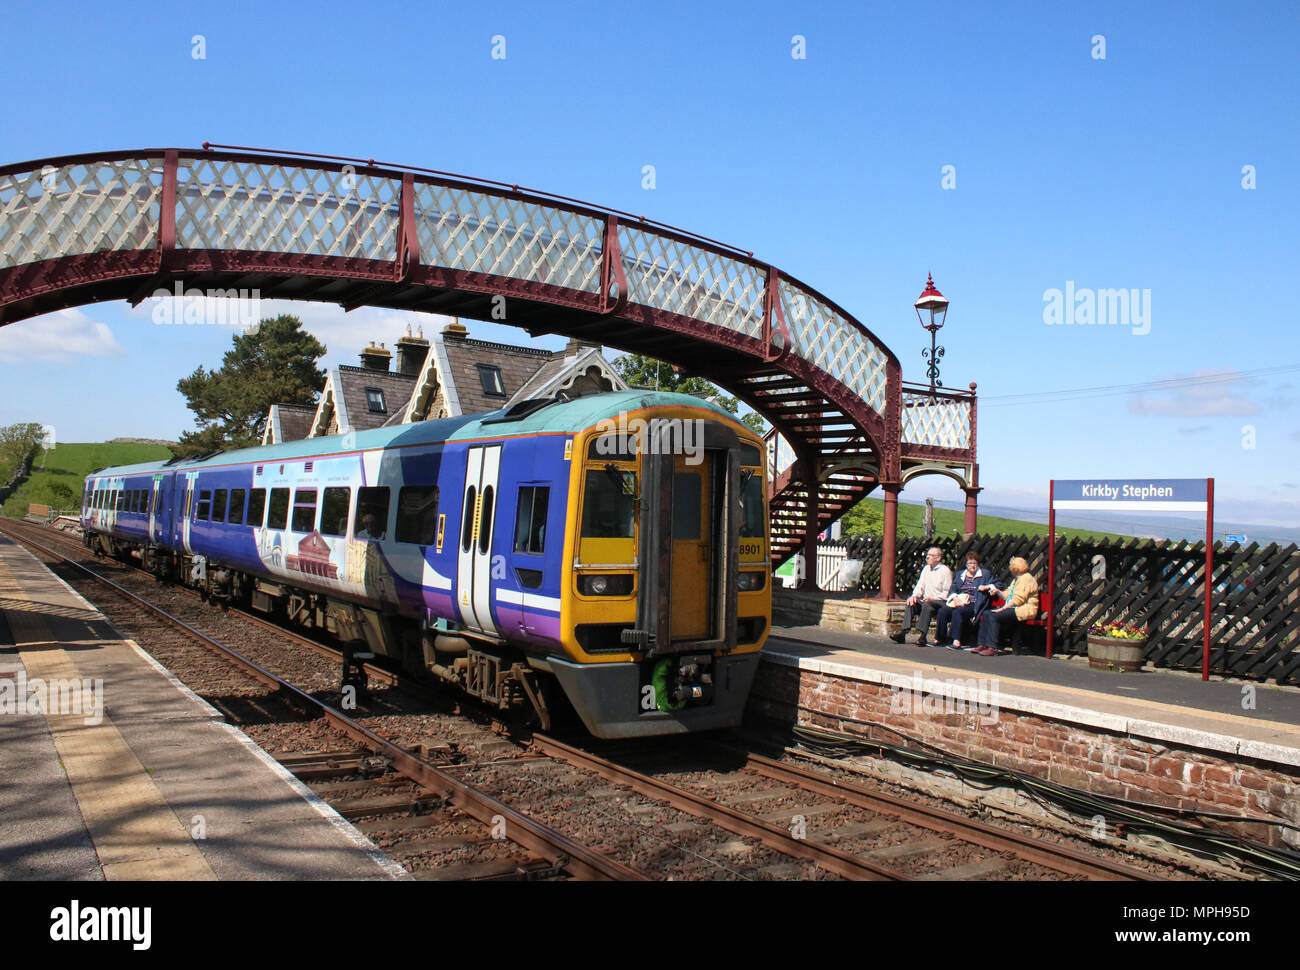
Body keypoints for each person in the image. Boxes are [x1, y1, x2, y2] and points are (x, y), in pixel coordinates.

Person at [973, 556, 1040, 656]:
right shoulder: (1016, 580)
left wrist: (1002, 609)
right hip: (1013, 608)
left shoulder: (1027, 579)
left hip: (1023, 609)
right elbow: (1007, 595)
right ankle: (982, 644)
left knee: (994, 616)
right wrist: (997, 591)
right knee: (987, 613)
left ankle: (992, 647)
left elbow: (1018, 599)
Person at [889, 547, 952, 647]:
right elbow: (920, 586)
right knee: (912, 602)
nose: (927, 557)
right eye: (927, 555)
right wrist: (914, 596)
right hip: (926, 600)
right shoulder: (926, 569)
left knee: (927, 605)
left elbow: (947, 593)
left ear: (938, 558)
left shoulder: (945, 571)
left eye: (931, 555)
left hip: (940, 602)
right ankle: (903, 633)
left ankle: (923, 636)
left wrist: (933, 598)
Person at [935, 551, 996, 649]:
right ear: (966, 564)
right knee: (943, 611)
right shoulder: (960, 574)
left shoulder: (985, 574)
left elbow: (997, 584)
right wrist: (955, 598)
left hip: (974, 603)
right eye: (969, 563)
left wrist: (986, 587)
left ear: (978, 564)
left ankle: (956, 641)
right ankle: (940, 639)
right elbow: (953, 589)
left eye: (974, 563)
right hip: (959, 601)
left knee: (958, 612)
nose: (972, 566)